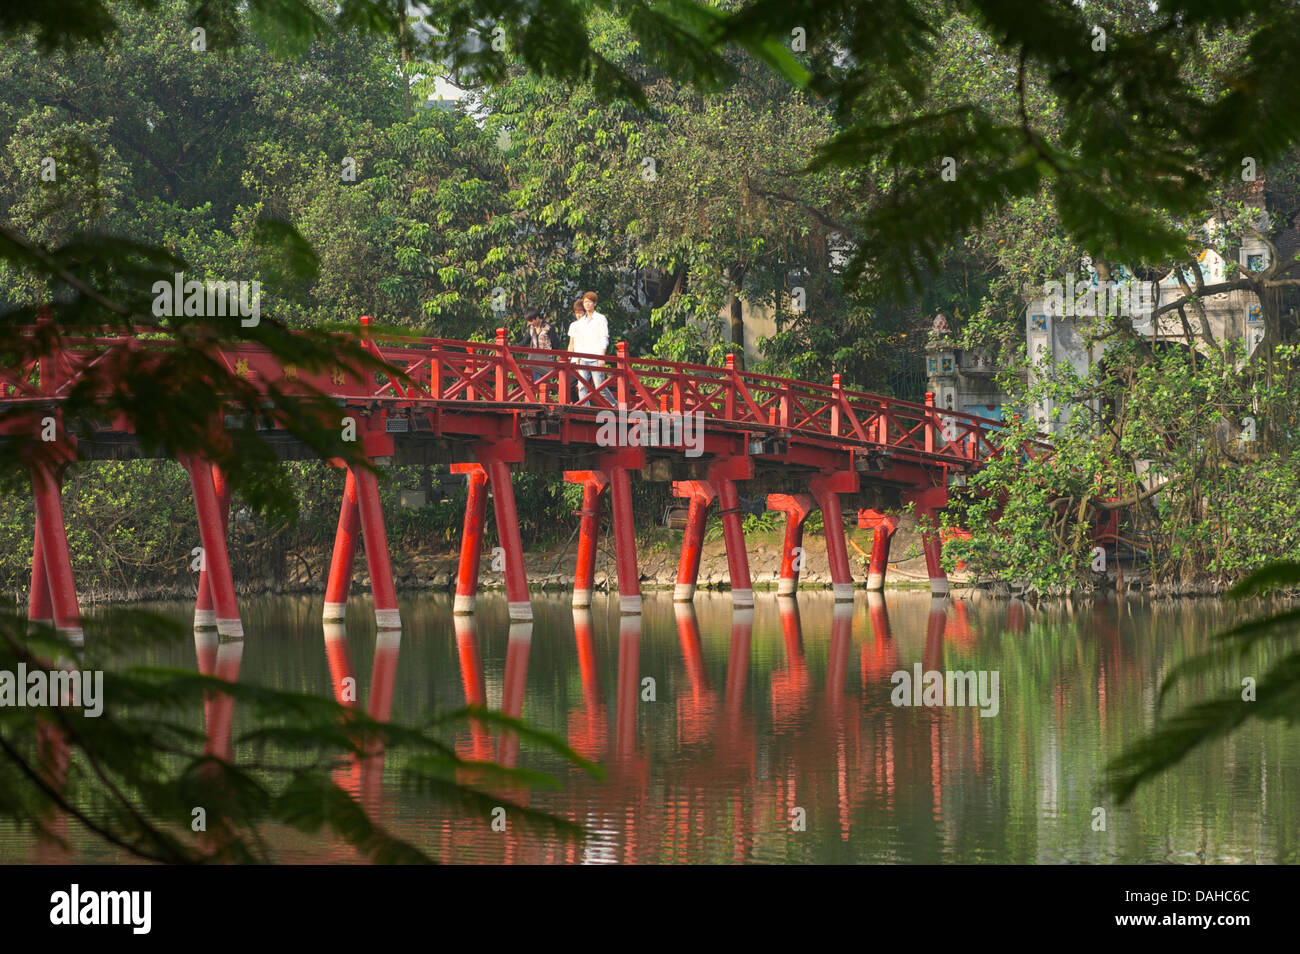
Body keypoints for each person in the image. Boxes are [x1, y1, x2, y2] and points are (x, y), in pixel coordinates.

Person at [567, 291, 609, 401]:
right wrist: (578, 357)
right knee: (581, 386)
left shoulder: (600, 318)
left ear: (594, 303)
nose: (587, 304)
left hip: (596, 357)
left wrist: (602, 357)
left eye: (589, 302)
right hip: (583, 358)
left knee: (600, 387)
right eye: (585, 302)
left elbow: (604, 337)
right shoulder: (581, 322)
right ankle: (583, 408)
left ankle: (615, 406)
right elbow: (580, 341)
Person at [519, 306, 556, 383]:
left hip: (547, 360)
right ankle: (538, 395)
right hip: (535, 359)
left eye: (530, 321)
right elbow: (525, 341)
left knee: (542, 382)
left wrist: (553, 360)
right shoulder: (531, 329)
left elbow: (555, 343)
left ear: (537, 318)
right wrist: (512, 348)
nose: (529, 323)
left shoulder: (548, 328)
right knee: (537, 382)